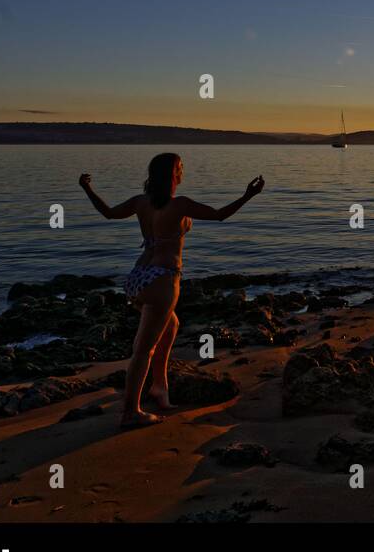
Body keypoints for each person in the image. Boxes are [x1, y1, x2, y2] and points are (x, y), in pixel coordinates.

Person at [79, 154, 264, 428]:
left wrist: (87, 188)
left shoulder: (140, 202)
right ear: (173, 174)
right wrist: (248, 195)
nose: (183, 171)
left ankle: (159, 387)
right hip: (163, 280)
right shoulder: (180, 205)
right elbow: (219, 215)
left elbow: (108, 213)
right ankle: (131, 413)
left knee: (171, 326)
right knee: (143, 350)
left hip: (138, 278)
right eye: (180, 167)